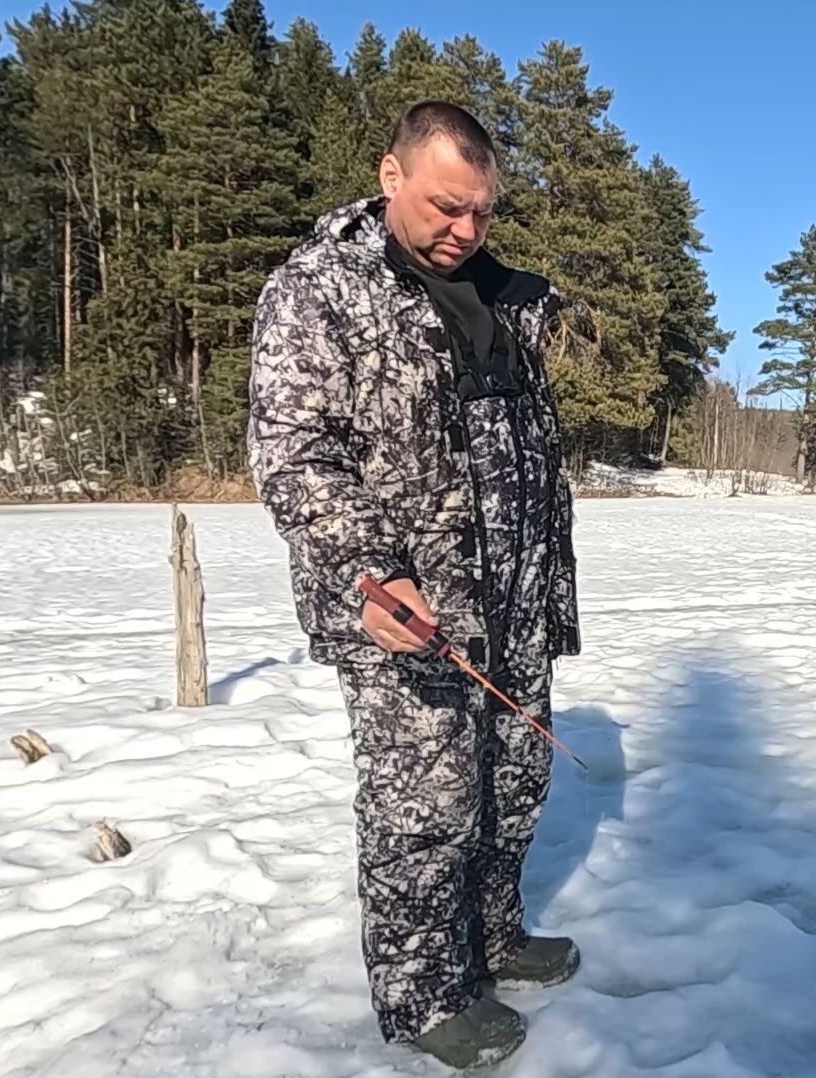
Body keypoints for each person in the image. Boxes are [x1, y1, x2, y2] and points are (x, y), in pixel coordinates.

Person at [246, 101, 581, 1070]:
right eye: (445, 206)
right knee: (424, 808)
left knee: (515, 783)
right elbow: (293, 456)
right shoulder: (317, 293)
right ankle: (423, 998)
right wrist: (372, 568)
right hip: (409, 608)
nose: (466, 231)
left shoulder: (509, 294)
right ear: (391, 177)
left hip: (518, 594)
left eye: (481, 212)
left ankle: (494, 939)